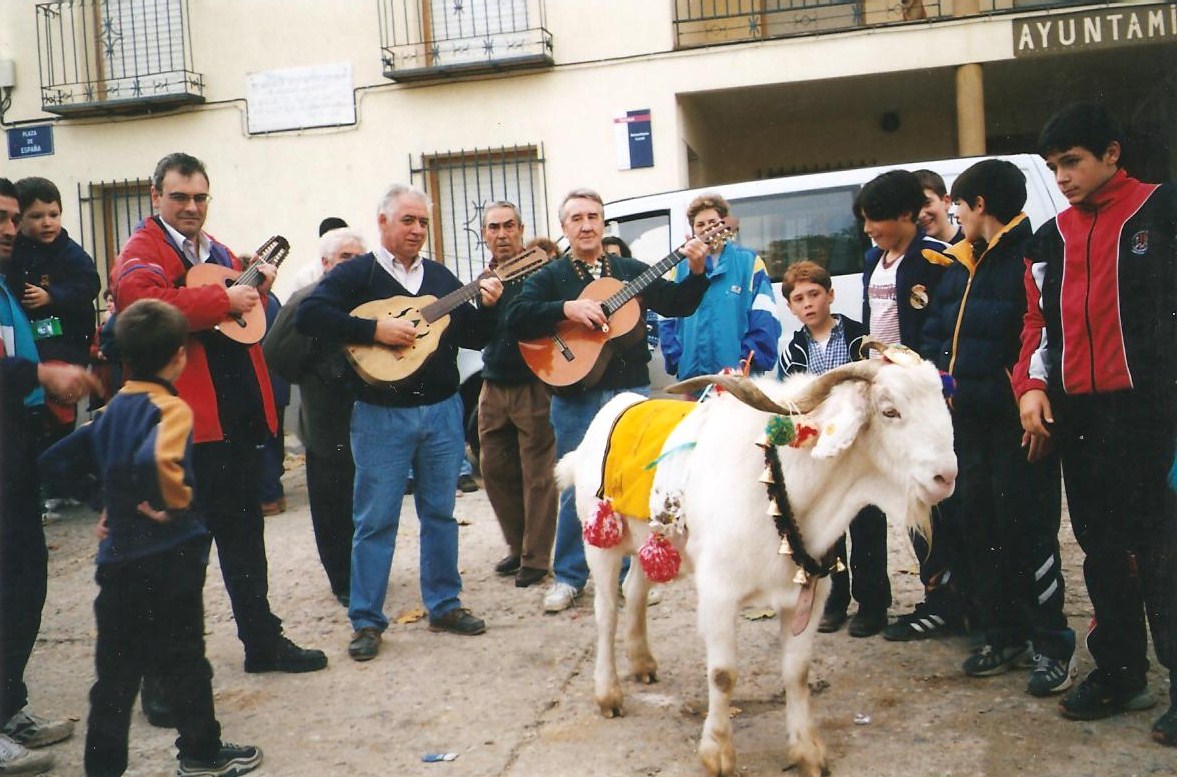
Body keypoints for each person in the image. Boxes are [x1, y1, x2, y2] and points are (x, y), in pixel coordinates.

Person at [110, 153, 326, 726]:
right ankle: (161, 678)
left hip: (233, 424)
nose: (192, 207)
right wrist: (222, 300)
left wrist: (253, 287)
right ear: (155, 196)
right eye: (180, 197)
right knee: (176, 559)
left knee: (244, 540)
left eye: (200, 197)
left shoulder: (221, 253)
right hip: (181, 431)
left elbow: (244, 313)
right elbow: (141, 306)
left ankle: (262, 641)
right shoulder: (141, 252)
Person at [39, 299, 263, 777]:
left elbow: (54, 464)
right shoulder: (173, 408)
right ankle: (201, 753)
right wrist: (173, 501)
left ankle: (103, 768)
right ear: (179, 355)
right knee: (185, 659)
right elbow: (156, 459)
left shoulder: (110, 412)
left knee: (113, 677)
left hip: (118, 558)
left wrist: (101, 501)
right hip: (170, 555)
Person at [1015, 103, 1177, 743]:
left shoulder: (1163, 212)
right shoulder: (1049, 238)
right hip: (1080, 419)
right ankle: (1121, 673)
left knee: (1164, 551)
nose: (1063, 177)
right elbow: (1037, 324)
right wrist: (1031, 388)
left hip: (1154, 415)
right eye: (1053, 166)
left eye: (1073, 162)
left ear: (1112, 153)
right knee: (1102, 549)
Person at [296, 184, 503, 662]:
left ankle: (445, 604)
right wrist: (374, 330)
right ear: (383, 222)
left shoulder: (440, 276)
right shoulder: (357, 274)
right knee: (375, 520)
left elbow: (473, 335)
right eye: (407, 220)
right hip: (379, 415)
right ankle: (367, 620)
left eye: (423, 222)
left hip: (442, 412)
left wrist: (491, 306)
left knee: (440, 514)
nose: (416, 230)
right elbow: (310, 314)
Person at [506, 188, 709, 613]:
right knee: (576, 484)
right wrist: (567, 309)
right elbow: (517, 317)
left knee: (628, 484)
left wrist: (695, 270)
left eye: (593, 217)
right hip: (575, 395)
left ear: (603, 223)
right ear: (564, 228)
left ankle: (624, 577)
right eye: (577, 218)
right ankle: (569, 577)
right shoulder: (551, 276)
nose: (586, 225)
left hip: (629, 392)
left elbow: (679, 304)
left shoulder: (629, 271)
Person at [920, 158, 1076, 695]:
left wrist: (1035, 402)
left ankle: (1051, 642)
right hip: (967, 424)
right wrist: (940, 382)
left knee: (1027, 529)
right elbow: (941, 336)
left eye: (960, 207)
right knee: (978, 525)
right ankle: (1002, 633)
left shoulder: (1031, 256)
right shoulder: (959, 263)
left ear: (980, 205)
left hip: (1017, 424)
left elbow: (1042, 338)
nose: (956, 217)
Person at [1, 177, 100, 774]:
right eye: (2, 218)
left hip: (16, 449)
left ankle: (9, 707)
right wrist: (42, 376)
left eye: (15, 218)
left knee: (23, 581)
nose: (12, 229)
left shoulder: (10, 279)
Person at [855, 169, 961, 641]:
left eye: (875, 219)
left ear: (905, 214)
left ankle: (948, 600)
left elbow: (944, 329)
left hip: (922, 402)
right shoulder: (872, 260)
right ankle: (937, 592)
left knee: (935, 499)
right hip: (887, 400)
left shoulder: (934, 260)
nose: (868, 229)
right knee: (908, 499)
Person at [778, 260, 888, 638]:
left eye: (814, 294)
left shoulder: (859, 337)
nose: (808, 303)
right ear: (791, 307)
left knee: (868, 526)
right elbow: (792, 401)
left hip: (862, 450)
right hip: (822, 453)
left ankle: (873, 605)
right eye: (799, 299)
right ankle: (835, 601)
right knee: (829, 530)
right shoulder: (792, 351)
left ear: (831, 295)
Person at [263, 227, 367, 606]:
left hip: (368, 418)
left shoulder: (371, 299)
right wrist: (317, 370)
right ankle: (342, 580)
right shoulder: (307, 300)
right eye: (345, 258)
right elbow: (276, 352)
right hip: (326, 417)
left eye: (359, 259)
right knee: (332, 503)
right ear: (325, 263)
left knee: (366, 502)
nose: (353, 265)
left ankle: (367, 573)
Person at [476, 202, 558, 589]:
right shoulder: (483, 279)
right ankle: (517, 544)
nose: (502, 234)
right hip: (493, 382)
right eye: (494, 227)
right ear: (484, 235)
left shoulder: (541, 273)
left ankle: (536, 558)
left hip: (534, 382)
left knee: (538, 473)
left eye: (509, 226)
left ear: (521, 229)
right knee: (493, 468)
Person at [659, 193, 781, 379]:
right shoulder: (679, 268)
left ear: (724, 224)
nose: (707, 228)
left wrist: (747, 363)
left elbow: (765, 317)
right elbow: (666, 320)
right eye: (700, 224)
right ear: (693, 230)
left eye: (712, 222)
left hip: (738, 379)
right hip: (693, 378)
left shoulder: (749, 263)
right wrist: (677, 359)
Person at [914, 169, 964, 245]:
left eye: (927, 203)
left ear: (946, 201)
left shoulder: (973, 243)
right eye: (914, 208)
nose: (921, 215)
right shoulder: (913, 250)